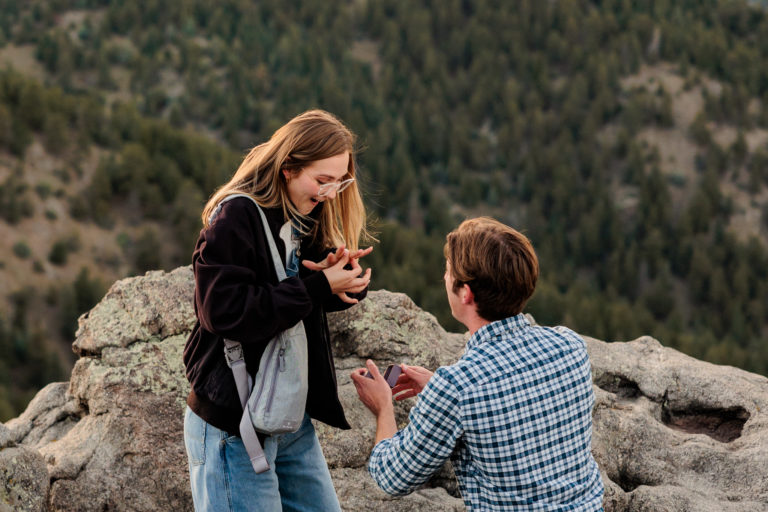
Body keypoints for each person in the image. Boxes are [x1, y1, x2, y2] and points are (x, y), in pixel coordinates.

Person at [183, 109, 373, 512]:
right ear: (287, 169)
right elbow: (223, 311)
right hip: (233, 427)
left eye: (341, 182)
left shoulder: (302, 211)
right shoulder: (236, 216)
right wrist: (319, 286)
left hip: (288, 417)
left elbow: (295, 294)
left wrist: (343, 282)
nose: (331, 193)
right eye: (323, 181)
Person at [351, 217, 604, 511]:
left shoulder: (458, 387)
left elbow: (392, 477)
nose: (445, 279)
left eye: (447, 272)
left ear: (466, 293)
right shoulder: (571, 345)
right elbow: (516, 394)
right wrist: (441, 393)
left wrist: (384, 408)